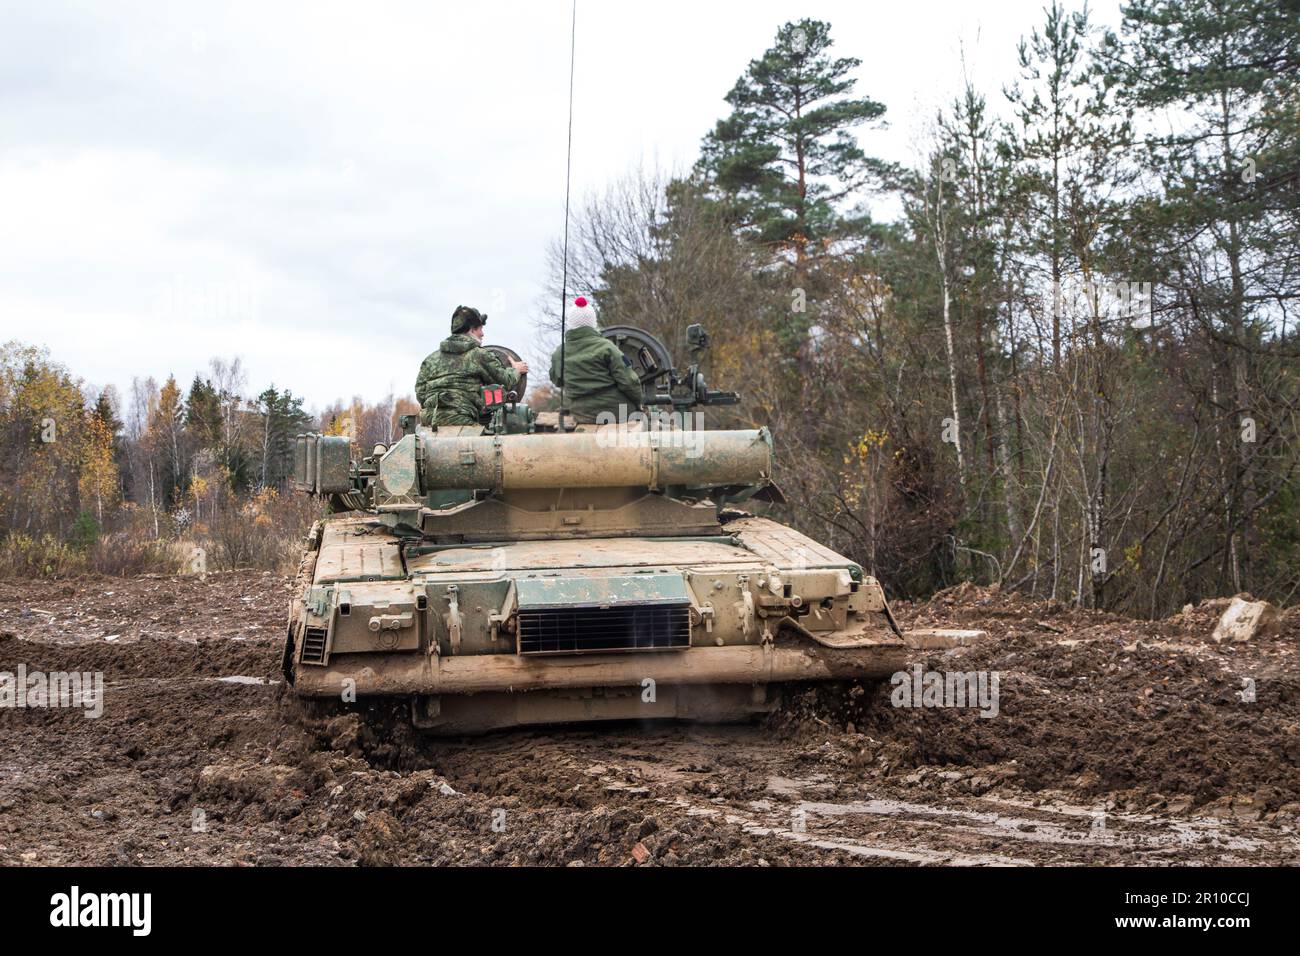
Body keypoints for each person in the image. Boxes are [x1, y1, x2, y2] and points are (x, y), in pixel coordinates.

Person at [416, 305, 528, 427]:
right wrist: (516, 370)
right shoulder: (478, 355)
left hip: (429, 423)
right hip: (462, 421)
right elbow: (505, 381)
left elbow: (421, 394)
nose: (482, 334)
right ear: (472, 330)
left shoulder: (430, 360)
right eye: (480, 329)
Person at [549, 296, 643, 424]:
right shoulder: (607, 348)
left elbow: (557, 380)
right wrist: (639, 401)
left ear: (571, 324)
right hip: (617, 413)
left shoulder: (559, 353)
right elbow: (629, 381)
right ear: (593, 323)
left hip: (581, 414)